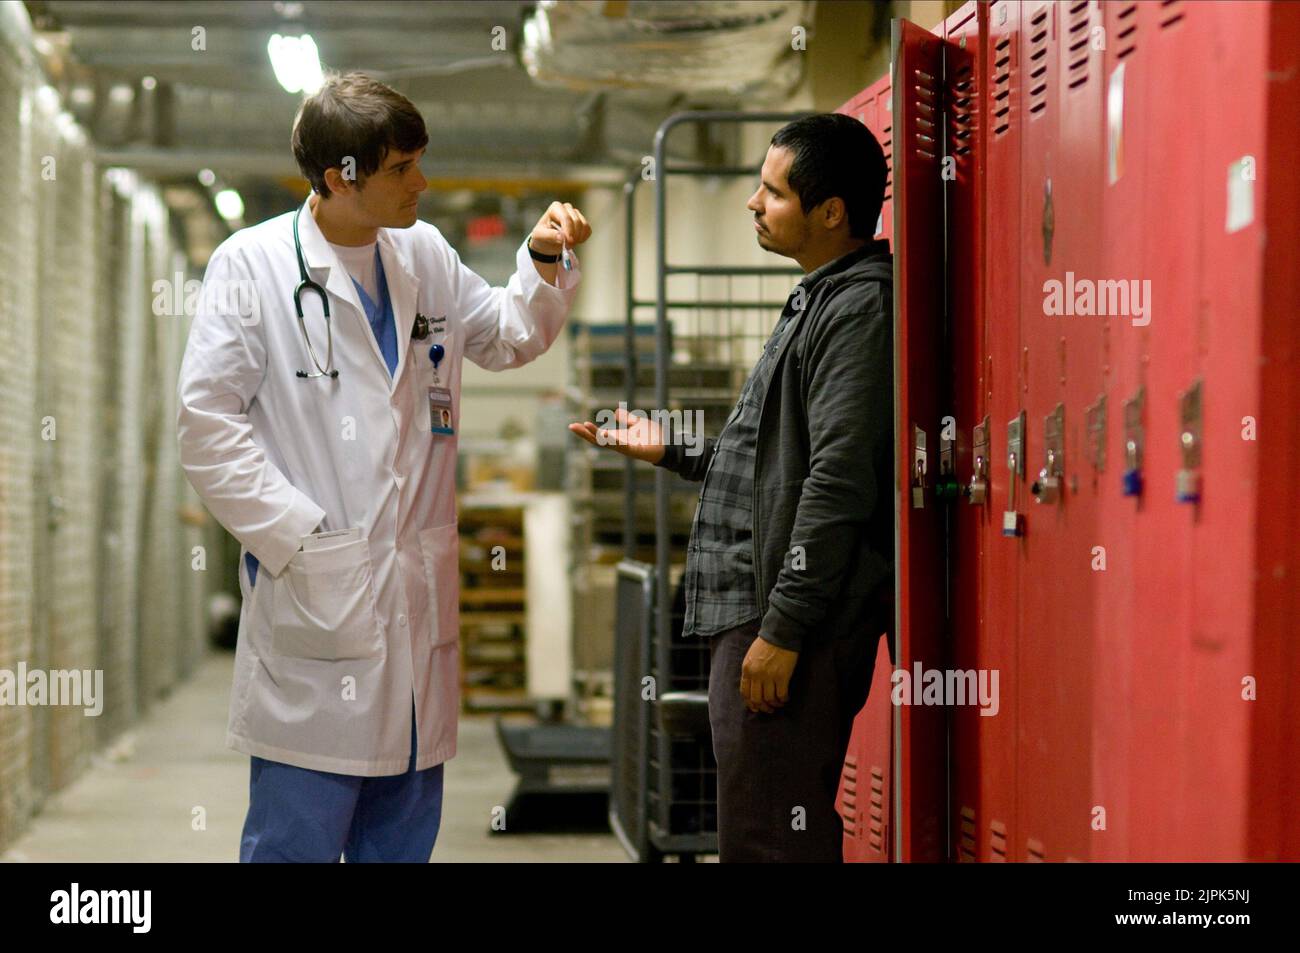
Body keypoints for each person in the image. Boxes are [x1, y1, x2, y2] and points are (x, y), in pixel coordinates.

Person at [177, 71, 590, 862]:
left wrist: (539, 262)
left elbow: (505, 335)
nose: (423, 184)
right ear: (343, 177)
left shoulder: (423, 254)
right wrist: (301, 538)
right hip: (318, 603)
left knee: (401, 844)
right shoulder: (252, 265)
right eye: (403, 169)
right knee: (295, 843)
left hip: (413, 612)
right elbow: (205, 425)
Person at [570, 113, 891, 862]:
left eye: (772, 191)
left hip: (781, 618)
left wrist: (782, 628)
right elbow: (769, 465)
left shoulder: (856, 308)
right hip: (757, 611)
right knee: (759, 827)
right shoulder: (819, 297)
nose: (753, 203)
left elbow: (838, 478)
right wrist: (672, 449)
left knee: (769, 839)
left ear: (831, 212)